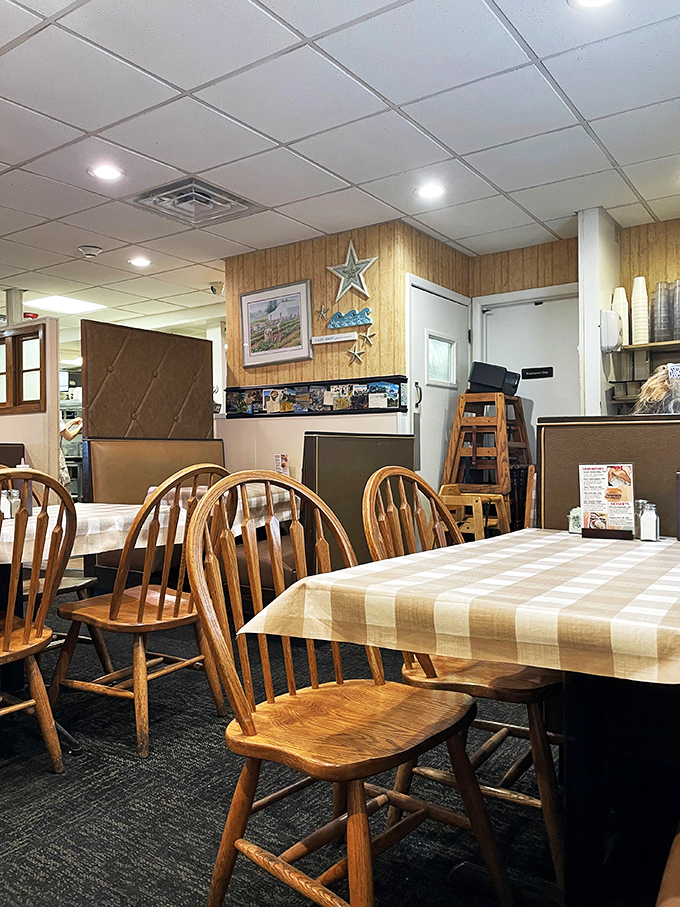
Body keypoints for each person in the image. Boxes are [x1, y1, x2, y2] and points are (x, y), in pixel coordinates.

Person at [59, 417, 82, 488]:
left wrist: (72, 422)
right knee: (64, 487)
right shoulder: (54, 413)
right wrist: (81, 426)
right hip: (58, 460)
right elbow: (69, 436)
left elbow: (61, 430)